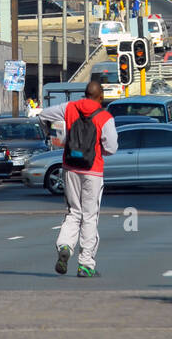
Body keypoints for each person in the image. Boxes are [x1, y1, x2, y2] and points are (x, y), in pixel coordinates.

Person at [40, 80, 118, 279]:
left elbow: (43, 115)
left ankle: (65, 245)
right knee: (90, 217)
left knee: (74, 212)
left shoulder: (69, 108)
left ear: (84, 94)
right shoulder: (105, 116)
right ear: (100, 97)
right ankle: (85, 264)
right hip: (93, 170)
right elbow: (111, 147)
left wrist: (52, 134)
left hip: (70, 166)